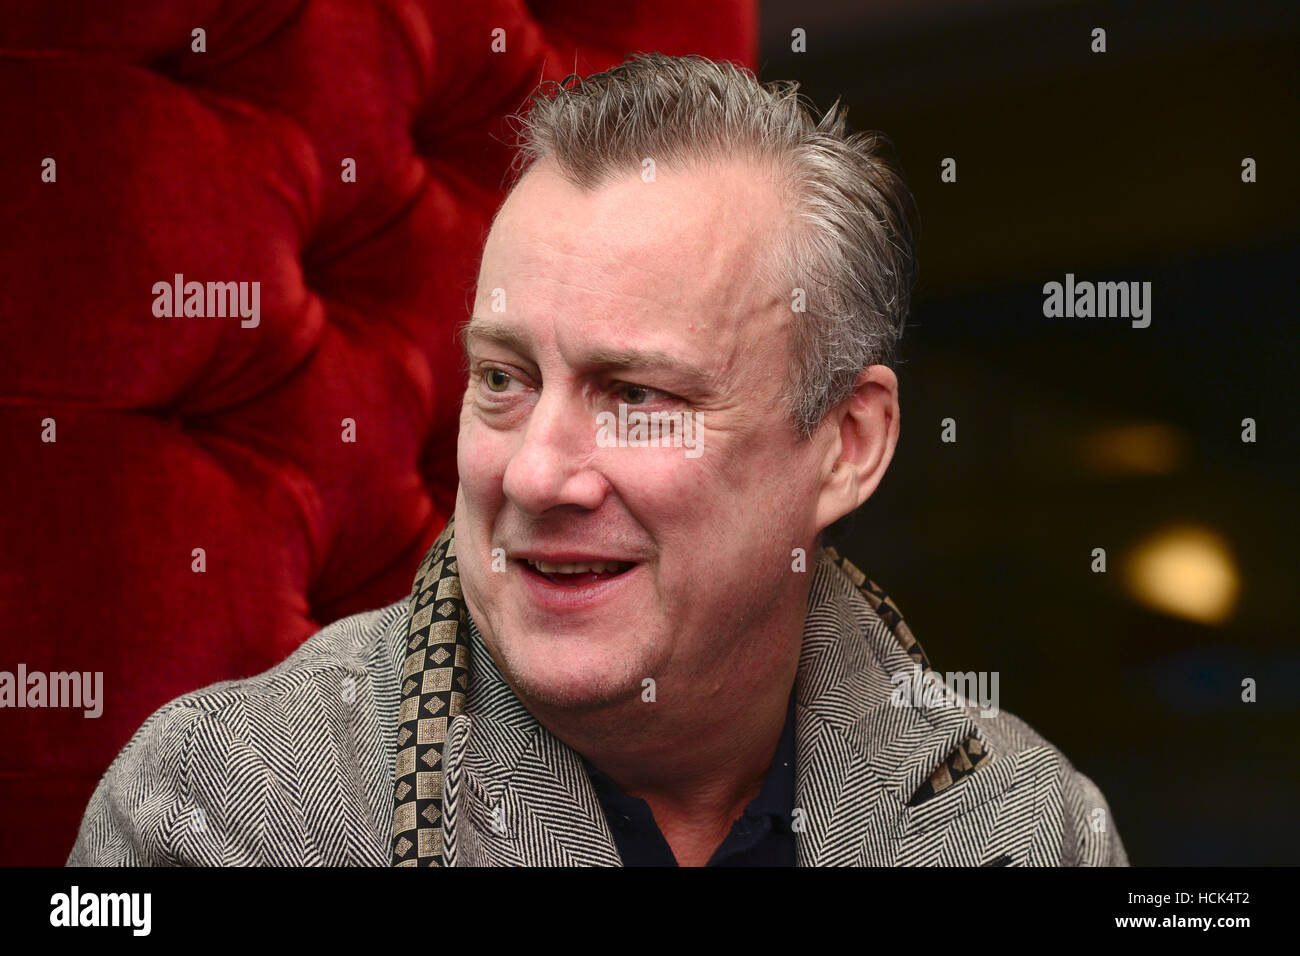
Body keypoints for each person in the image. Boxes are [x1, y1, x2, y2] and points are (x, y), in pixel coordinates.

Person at [68, 52, 1127, 867]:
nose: (533, 475)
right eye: (504, 379)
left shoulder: (1031, 825)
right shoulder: (227, 801)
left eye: (636, 395)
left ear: (845, 445)